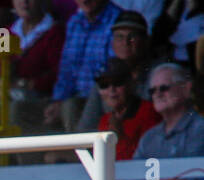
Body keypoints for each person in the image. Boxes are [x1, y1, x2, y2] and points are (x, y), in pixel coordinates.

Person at [0, 0, 67, 130]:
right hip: (0, 94)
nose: (24, 2)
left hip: (39, 97)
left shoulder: (55, 32)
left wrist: (24, 84)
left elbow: (58, 73)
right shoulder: (6, 33)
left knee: (16, 110)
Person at [46, 0, 122, 131]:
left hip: (103, 96)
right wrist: (57, 100)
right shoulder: (74, 22)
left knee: (70, 106)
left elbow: (113, 70)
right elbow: (66, 70)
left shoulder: (117, 20)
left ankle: (77, 151)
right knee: (20, 110)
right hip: (74, 97)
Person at [77, 9, 152, 127]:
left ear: (145, 40)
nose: (125, 42)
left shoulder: (158, 74)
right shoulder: (104, 77)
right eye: (119, 37)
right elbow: (86, 127)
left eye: (132, 37)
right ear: (112, 43)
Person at [94, 58, 160, 158]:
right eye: (104, 85)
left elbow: (148, 157)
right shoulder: (104, 120)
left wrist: (120, 137)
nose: (111, 90)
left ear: (131, 84)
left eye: (118, 82)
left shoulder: (149, 112)